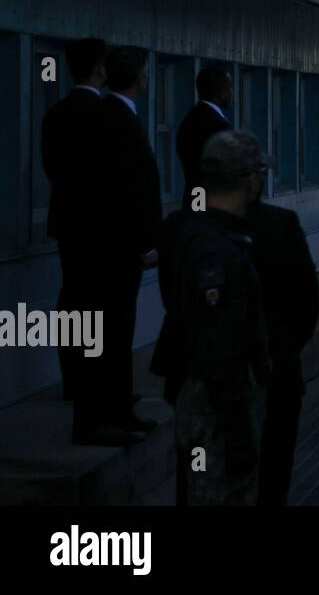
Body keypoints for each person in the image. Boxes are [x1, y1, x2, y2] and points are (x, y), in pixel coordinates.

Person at [172, 131, 271, 506]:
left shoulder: (193, 232)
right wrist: (237, 431)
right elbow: (220, 345)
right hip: (217, 408)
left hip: (208, 399)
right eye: (259, 172)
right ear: (248, 179)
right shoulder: (219, 250)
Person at [89, 45, 162, 442]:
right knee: (113, 331)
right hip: (117, 249)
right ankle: (105, 415)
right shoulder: (116, 120)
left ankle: (116, 408)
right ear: (137, 78)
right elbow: (125, 191)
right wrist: (143, 242)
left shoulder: (107, 116)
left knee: (117, 331)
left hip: (113, 247)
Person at [40, 39, 108, 419]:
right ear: (99, 68)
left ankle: (74, 378)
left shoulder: (56, 115)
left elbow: (51, 168)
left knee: (73, 297)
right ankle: (96, 380)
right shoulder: (106, 115)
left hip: (68, 219)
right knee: (102, 301)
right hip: (102, 224)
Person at [242, 180, 319, 506]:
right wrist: (287, 346)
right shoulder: (279, 224)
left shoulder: (185, 226)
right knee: (275, 454)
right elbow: (307, 299)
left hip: (205, 373)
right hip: (276, 361)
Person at [177, 64, 233, 205]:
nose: (232, 92)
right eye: (229, 87)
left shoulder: (190, 119)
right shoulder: (218, 125)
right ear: (220, 92)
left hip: (195, 199)